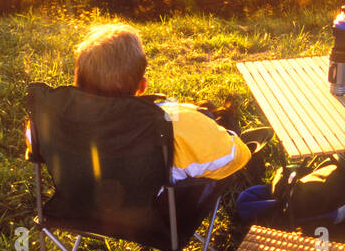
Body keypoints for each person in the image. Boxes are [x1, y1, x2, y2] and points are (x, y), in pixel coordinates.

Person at [73, 23, 269, 184]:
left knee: (177, 109)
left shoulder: (61, 123)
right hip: (152, 219)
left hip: (82, 210)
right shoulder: (172, 125)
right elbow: (237, 155)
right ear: (142, 86)